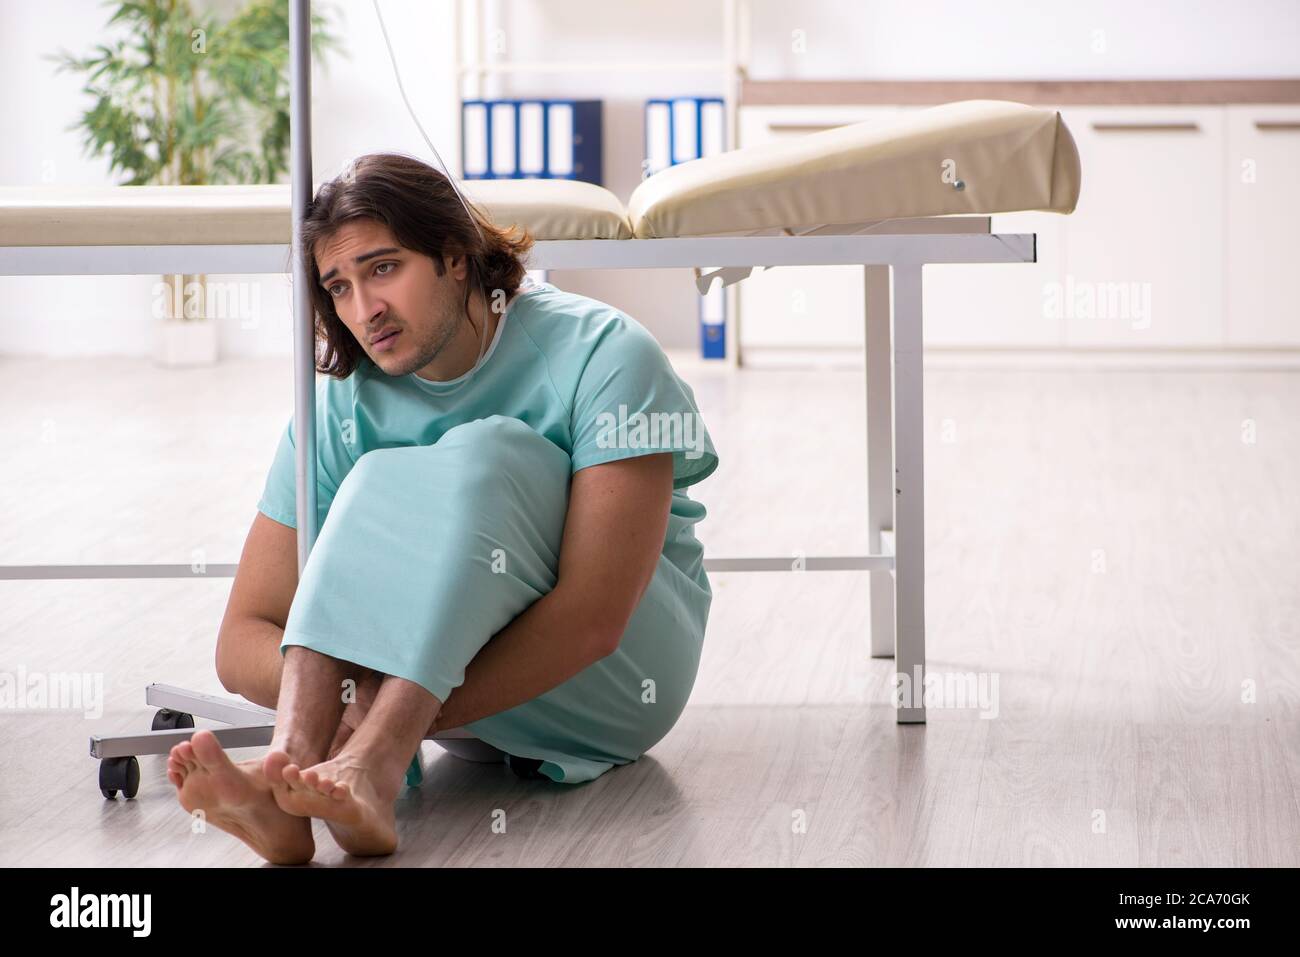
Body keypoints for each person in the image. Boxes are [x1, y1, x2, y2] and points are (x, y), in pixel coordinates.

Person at [166, 152, 719, 863]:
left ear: (456, 258)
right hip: (445, 711)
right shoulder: (341, 403)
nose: (364, 310)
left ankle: (373, 763)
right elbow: (242, 635)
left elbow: (595, 619)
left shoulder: (607, 354)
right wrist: (366, 709)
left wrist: (375, 718)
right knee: (377, 480)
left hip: (611, 681)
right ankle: (286, 780)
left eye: (383, 268)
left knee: (484, 455)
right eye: (339, 286)